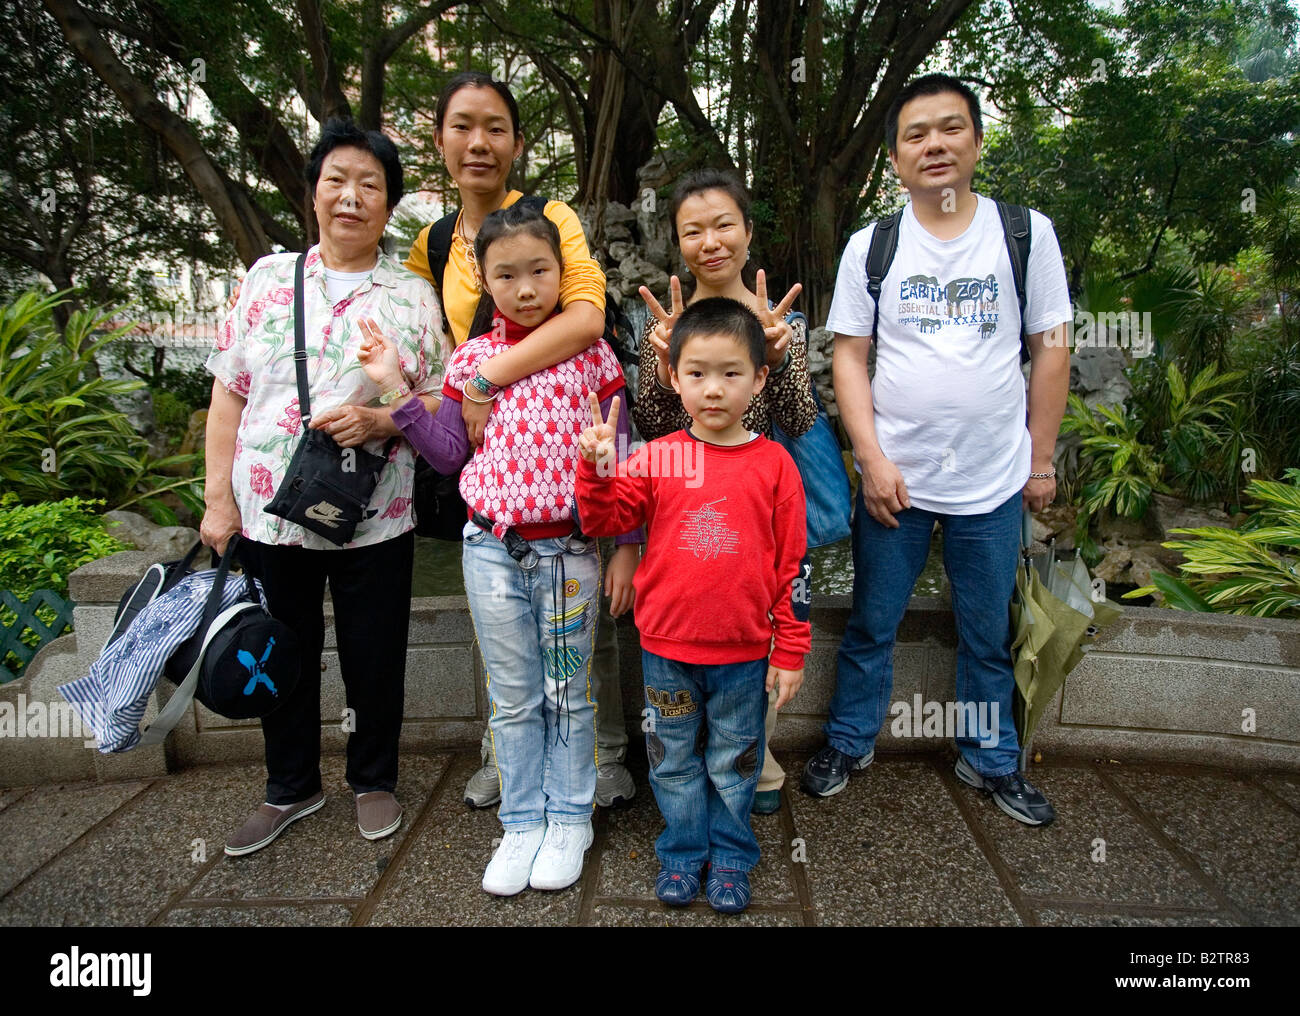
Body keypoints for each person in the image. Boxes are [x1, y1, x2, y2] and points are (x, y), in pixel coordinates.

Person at [799, 74, 1072, 825]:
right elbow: (849, 356)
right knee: (871, 623)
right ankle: (850, 740)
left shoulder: (1023, 232)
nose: (935, 145)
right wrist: (871, 459)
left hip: (993, 479)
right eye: (916, 135)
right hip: (898, 482)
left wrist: (1040, 460)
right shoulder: (875, 245)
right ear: (895, 159)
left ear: (977, 143)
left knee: (986, 631)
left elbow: (1052, 348)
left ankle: (989, 758)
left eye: (951, 129)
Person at [362, 201, 640, 895]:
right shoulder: (472, 359)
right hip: (491, 551)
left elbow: (624, 454)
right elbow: (451, 453)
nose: (524, 288)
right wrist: (397, 390)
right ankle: (521, 822)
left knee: (569, 694)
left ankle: (570, 817)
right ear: (484, 283)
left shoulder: (592, 352)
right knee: (513, 698)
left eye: (539, 271)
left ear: (561, 272)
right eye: (506, 274)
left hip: (571, 554)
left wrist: (626, 542)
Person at [203, 119, 447, 856]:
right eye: (337, 180)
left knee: (376, 651)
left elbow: (442, 403)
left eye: (370, 185)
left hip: (376, 510)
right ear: (313, 192)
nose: (351, 196)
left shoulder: (412, 297)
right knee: (282, 646)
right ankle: (290, 785)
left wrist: (381, 420)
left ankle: (373, 778)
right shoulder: (268, 279)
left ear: (388, 203)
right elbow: (229, 393)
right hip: (270, 510)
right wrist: (218, 498)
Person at [405, 71, 637, 809]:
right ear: (439, 139)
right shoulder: (435, 241)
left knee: (578, 608)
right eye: (463, 126)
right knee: (501, 614)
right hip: (494, 455)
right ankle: (507, 755)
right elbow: (432, 339)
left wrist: (486, 380)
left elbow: (586, 321)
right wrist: (416, 397)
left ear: (517, 141)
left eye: (496, 126)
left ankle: (602, 750)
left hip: (563, 440)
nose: (479, 143)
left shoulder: (551, 216)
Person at [576, 297, 810, 914]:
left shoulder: (776, 465)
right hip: (666, 649)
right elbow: (607, 518)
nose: (714, 389)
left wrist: (791, 649)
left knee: (735, 762)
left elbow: (793, 566)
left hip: (743, 653)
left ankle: (732, 856)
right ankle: (681, 853)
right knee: (672, 760)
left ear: (760, 378)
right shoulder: (658, 456)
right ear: (673, 377)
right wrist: (596, 469)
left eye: (732, 373)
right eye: (698, 373)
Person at [633, 168, 816, 817]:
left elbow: (799, 420)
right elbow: (651, 432)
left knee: (760, 621)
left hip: (760, 502)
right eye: (693, 230)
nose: (710, 241)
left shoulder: (775, 316)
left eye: (723, 225)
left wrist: (782, 354)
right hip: (686, 509)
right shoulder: (664, 319)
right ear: (677, 239)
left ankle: (751, 750)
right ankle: (689, 763)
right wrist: (660, 367)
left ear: (747, 230)